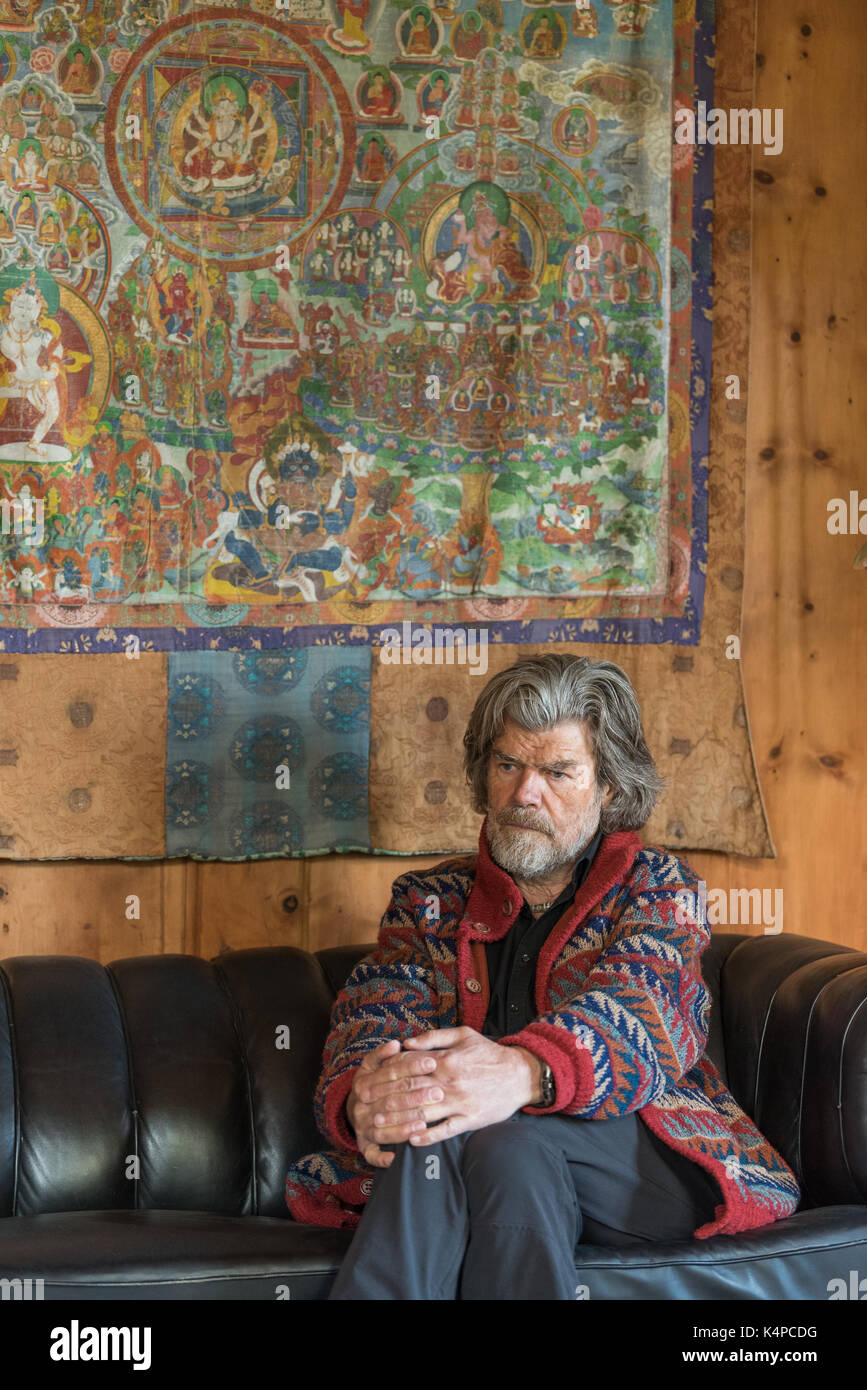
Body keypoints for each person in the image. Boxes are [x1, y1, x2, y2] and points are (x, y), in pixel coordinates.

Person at [285, 654, 801, 1299]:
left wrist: (521, 1073)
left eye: (558, 771)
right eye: (508, 765)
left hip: (645, 1161)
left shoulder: (657, 889)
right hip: (485, 1159)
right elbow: (377, 1012)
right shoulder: (428, 900)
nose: (526, 793)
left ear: (609, 786)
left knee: (478, 1129)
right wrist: (366, 1094)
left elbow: (647, 1012)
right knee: (446, 1128)